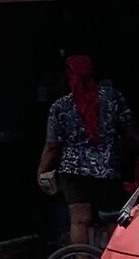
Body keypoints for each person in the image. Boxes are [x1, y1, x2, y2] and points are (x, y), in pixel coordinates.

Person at [38, 55, 135, 245]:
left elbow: (52, 145)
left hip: (73, 172)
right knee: (111, 219)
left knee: (79, 220)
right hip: (108, 169)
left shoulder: (61, 106)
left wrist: (42, 170)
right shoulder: (113, 98)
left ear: (67, 74)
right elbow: (130, 134)